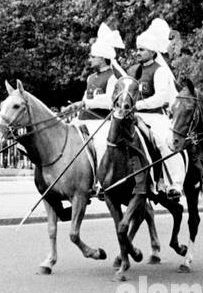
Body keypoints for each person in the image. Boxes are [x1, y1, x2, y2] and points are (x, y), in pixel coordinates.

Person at [130, 17, 182, 197]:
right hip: (134, 115)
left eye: (142, 50)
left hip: (154, 116)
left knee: (164, 141)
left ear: (152, 52)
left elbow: (160, 98)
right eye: (137, 49)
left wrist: (138, 105)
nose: (137, 53)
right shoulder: (133, 71)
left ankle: (175, 183)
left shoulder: (159, 70)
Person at [78, 23, 125, 186]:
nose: (90, 59)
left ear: (102, 57)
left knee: (100, 144)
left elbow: (109, 102)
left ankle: (100, 181)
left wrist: (87, 103)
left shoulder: (113, 76)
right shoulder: (91, 78)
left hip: (102, 121)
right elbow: (85, 98)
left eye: (93, 56)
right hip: (84, 120)